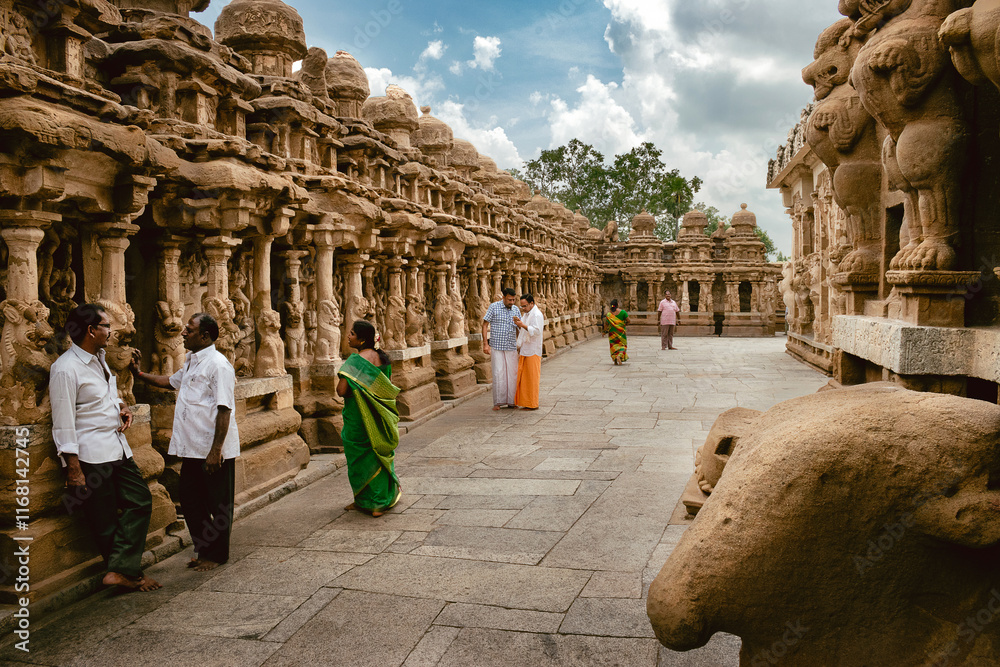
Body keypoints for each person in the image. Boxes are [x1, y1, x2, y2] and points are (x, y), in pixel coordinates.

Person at [50, 303, 161, 592]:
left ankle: (121, 570)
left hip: (117, 447)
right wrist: (73, 467)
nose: (111, 332)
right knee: (104, 518)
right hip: (91, 454)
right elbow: (63, 421)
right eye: (107, 326)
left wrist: (121, 407)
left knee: (140, 500)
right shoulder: (65, 368)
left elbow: (104, 398)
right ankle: (126, 574)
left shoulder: (100, 358)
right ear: (91, 330)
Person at [130, 313, 239, 571]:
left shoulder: (218, 365)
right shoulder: (192, 361)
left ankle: (216, 554)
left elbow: (224, 409)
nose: (182, 333)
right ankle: (203, 548)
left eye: (189, 330)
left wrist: (216, 451)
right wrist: (140, 374)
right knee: (190, 500)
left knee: (218, 504)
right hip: (193, 448)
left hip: (214, 449)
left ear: (205, 336)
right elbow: (170, 382)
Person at [337, 320, 402, 517]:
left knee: (359, 458)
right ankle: (373, 500)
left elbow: (341, 391)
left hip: (358, 418)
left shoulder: (354, 363)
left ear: (362, 339)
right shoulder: (383, 359)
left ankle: (371, 502)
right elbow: (387, 388)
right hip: (379, 415)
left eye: (352, 334)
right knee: (376, 453)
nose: (348, 336)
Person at [482, 287, 519, 411]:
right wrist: (485, 344)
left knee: (512, 374)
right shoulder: (494, 307)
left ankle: (511, 401)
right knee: (499, 373)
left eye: (513, 300)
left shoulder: (516, 309)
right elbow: (485, 324)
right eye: (509, 300)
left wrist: (519, 344)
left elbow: (518, 328)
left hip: (511, 345)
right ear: (503, 297)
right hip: (497, 345)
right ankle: (498, 401)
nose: (512, 302)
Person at [514, 294, 544, 410]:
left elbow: (537, 331)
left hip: (533, 350)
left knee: (532, 378)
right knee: (524, 378)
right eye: (521, 306)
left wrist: (523, 325)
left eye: (525, 306)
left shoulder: (537, 315)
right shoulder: (527, 314)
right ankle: (525, 401)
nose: (523, 308)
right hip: (525, 349)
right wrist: (520, 323)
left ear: (532, 303)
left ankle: (532, 402)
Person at [604, 299, 630, 365]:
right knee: (623, 345)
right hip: (621, 333)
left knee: (613, 346)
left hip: (612, 333)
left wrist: (604, 331)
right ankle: (619, 356)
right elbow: (629, 321)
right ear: (617, 305)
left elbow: (606, 324)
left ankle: (615, 360)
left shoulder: (609, 314)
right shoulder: (623, 312)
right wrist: (623, 325)